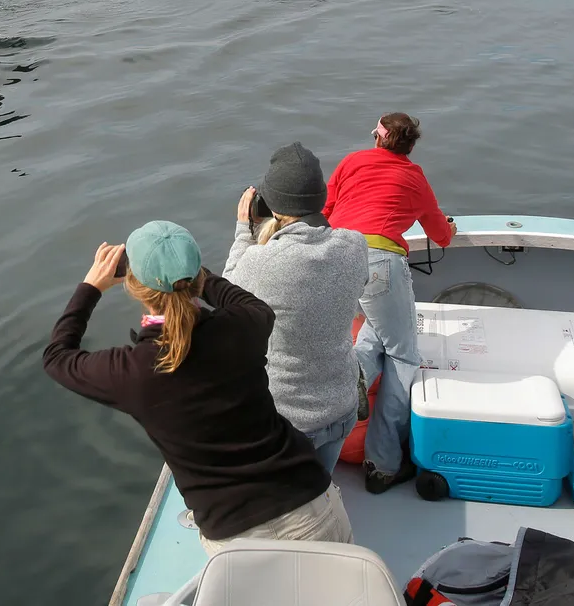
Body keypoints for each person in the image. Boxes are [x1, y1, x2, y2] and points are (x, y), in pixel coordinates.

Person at [42, 220, 354, 555]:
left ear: (133, 286)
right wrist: (191, 272)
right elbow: (249, 303)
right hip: (315, 509)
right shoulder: (245, 326)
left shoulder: (132, 372)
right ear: (197, 278)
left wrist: (91, 287)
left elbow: (57, 357)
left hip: (239, 543)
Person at [323, 113, 456, 493]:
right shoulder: (414, 177)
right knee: (402, 356)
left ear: (377, 139)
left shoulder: (351, 162)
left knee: (374, 334)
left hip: (337, 257)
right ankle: (382, 465)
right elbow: (440, 236)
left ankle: (355, 374)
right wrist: (451, 229)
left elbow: (328, 212)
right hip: (379, 263)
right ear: (411, 146)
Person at [222, 142, 369, 475]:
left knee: (289, 509)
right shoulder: (355, 245)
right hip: (341, 410)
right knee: (319, 488)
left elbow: (228, 300)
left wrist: (244, 232)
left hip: (289, 422)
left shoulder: (262, 263)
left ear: (272, 204)